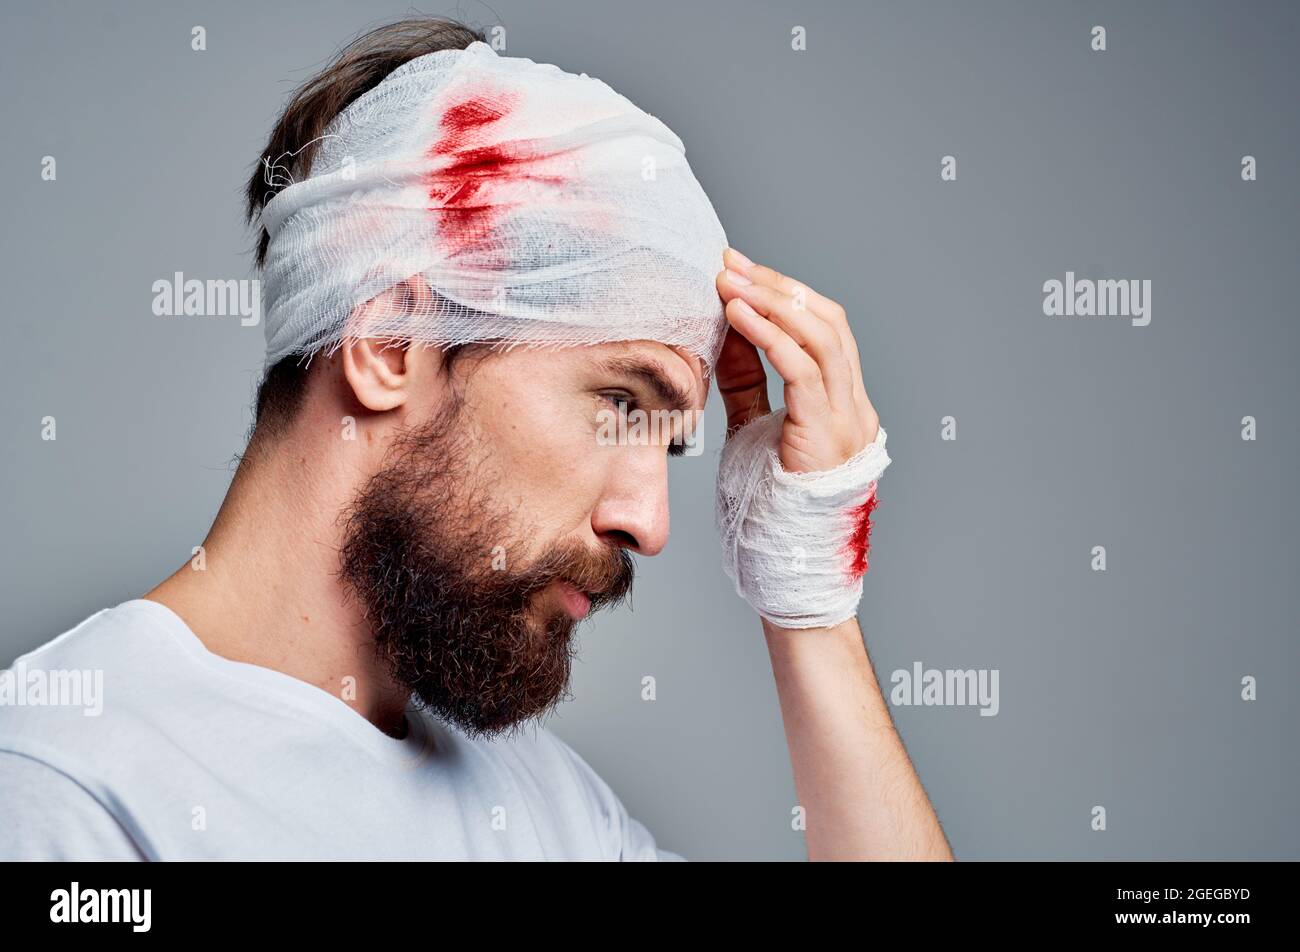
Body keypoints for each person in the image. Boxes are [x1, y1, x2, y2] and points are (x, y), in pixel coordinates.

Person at [0, 17, 952, 861]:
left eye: (667, 443)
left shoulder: (549, 811)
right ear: (388, 344)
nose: (651, 525)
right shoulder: (62, 790)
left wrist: (808, 599)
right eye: (623, 404)